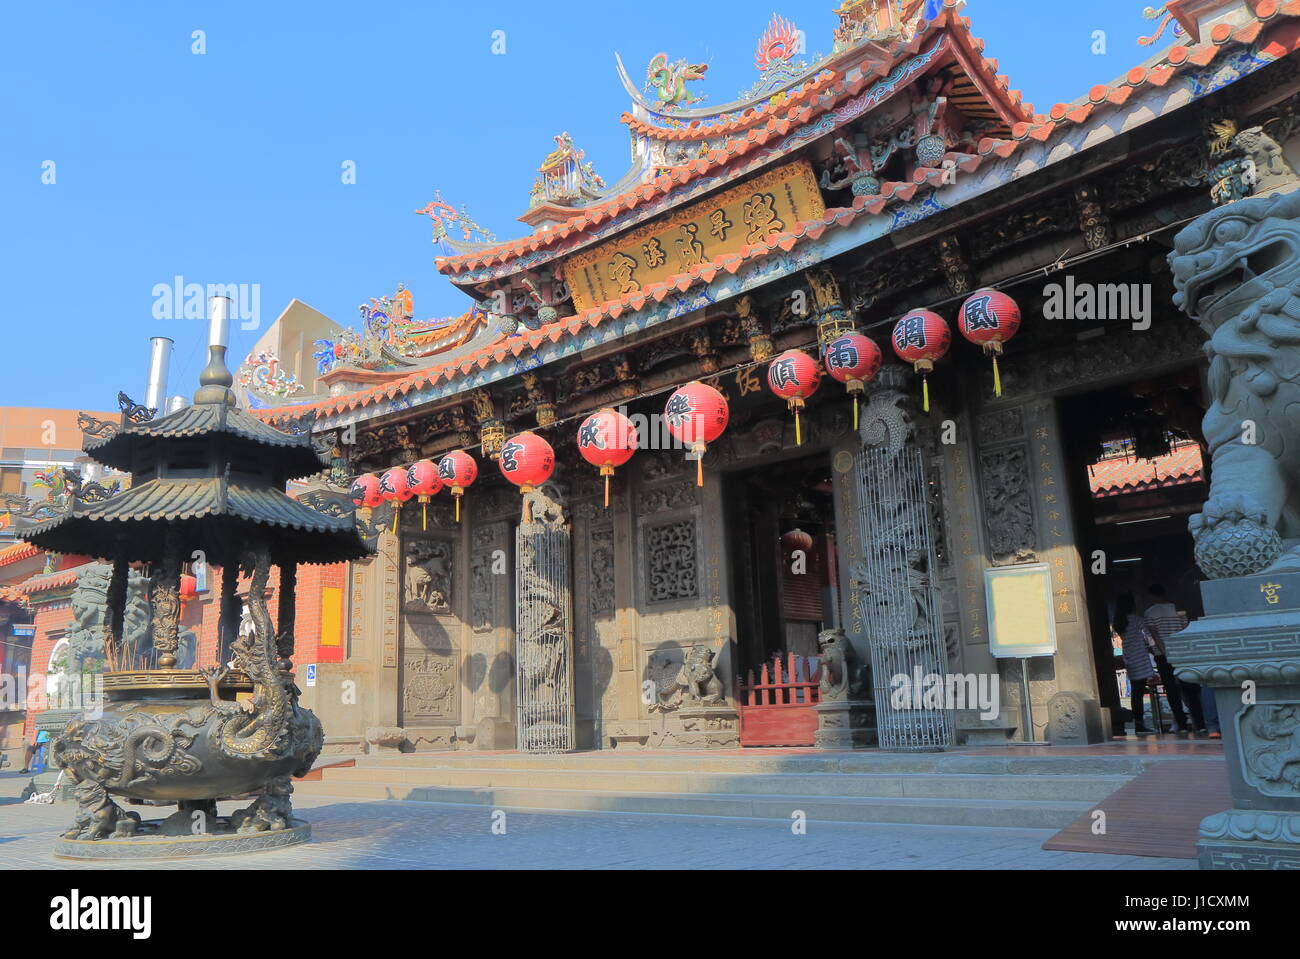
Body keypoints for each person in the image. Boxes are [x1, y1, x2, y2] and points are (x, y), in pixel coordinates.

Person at [1144, 584, 1206, 735]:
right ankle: (1201, 723)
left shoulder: (1149, 612)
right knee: (1190, 688)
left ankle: (1182, 725)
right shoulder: (1177, 609)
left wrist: (1165, 652)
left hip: (1163, 655)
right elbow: (1185, 629)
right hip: (1182, 653)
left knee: (1172, 691)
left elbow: (1154, 635)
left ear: (1152, 596)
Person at [1115, 592, 1157, 735]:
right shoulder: (1137, 620)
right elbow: (1149, 638)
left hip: (1129, 658)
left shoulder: (1118, 622)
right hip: (1140, 657)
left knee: (1135, 693)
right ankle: (1140, 725)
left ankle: (1138, 723)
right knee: (1139, 692)